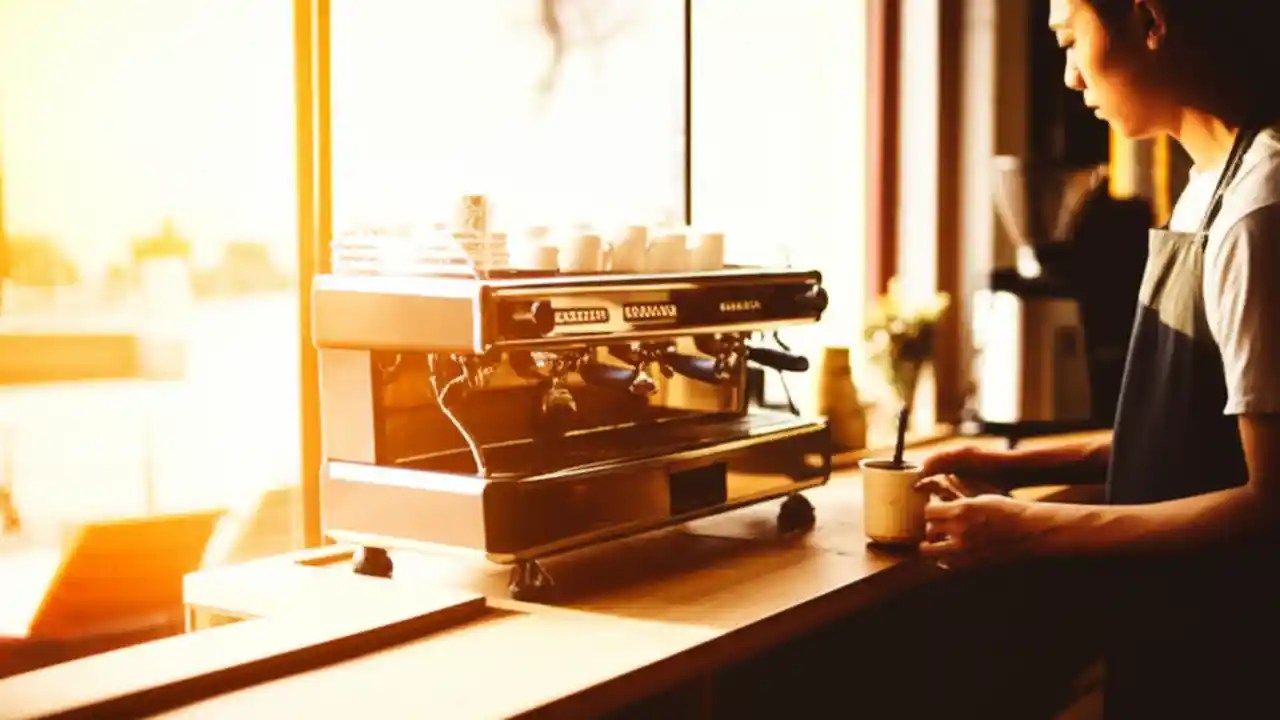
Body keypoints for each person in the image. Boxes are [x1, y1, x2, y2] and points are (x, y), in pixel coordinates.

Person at [918, 0, 1280, 716]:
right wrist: (1012, 464)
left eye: (1070, 39)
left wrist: (1032, 528)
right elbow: (1192, 439)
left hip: (1231, 650)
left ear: (1149, 23)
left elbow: (1267, 500)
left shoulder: (1257, 214)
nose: (1070, 76)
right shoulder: (1206, 189)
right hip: (1170, 627)